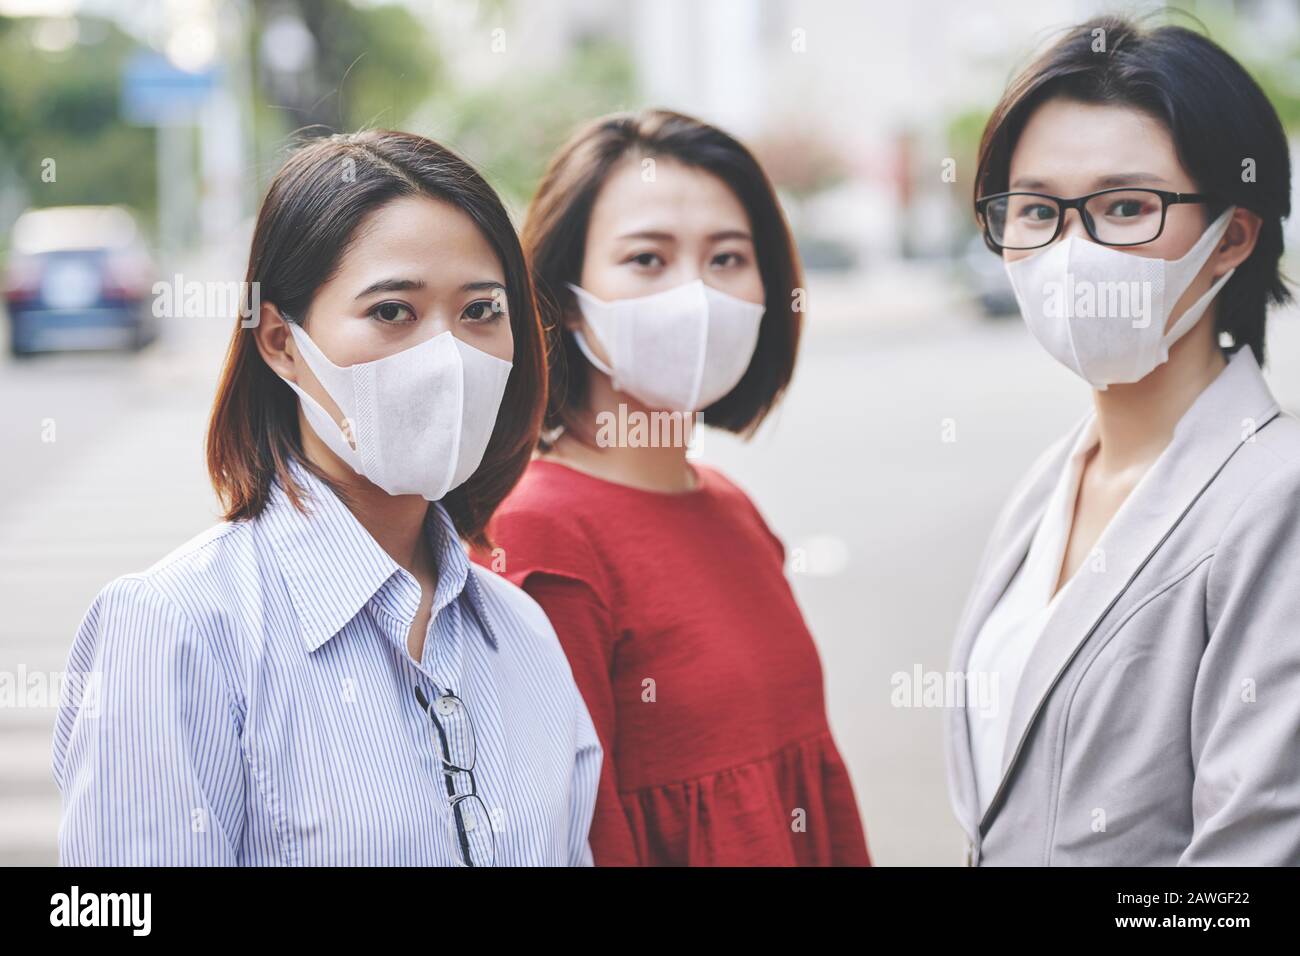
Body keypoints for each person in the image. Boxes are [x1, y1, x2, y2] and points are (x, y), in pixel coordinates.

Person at [52, 130, 600, 866]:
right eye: (392, 312)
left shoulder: (523, 633)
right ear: (280, 342)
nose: (447, 357)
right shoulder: (178, 631)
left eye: (480, 312)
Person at [473, 108, 871, 866]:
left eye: (726, 259)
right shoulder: (538, 533)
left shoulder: (726, 503)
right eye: (648, 259)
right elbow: (575, 832)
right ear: (561, 295)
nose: (695, 294)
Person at [947, 16, 1300, 865]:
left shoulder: (1277, 499)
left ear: (1234, 235)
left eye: (1127, 207)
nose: (1072, 251)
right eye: (1035, 209)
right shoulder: (1054, 481)